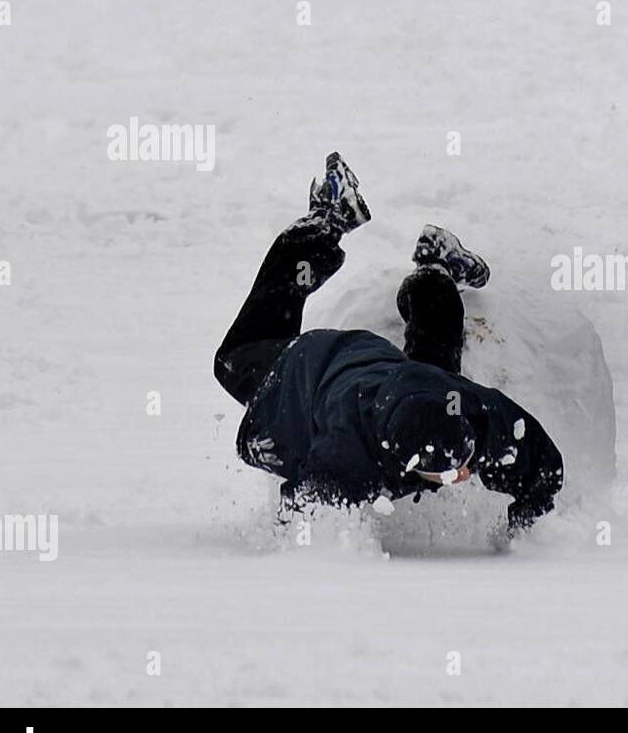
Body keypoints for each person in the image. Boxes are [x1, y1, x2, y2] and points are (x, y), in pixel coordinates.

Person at [213, 152, 564, 536]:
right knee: (233, 359)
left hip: (397, 378)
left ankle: (425, 264)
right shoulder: (348, 457)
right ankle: (334, 226)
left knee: (435, 368)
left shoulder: (471, 411)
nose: (463, 475)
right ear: (403, 458)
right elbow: (301, 518)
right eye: (448, 474)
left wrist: (526, 525)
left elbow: (540, 462)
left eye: (463, 462)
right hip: (306, 366)